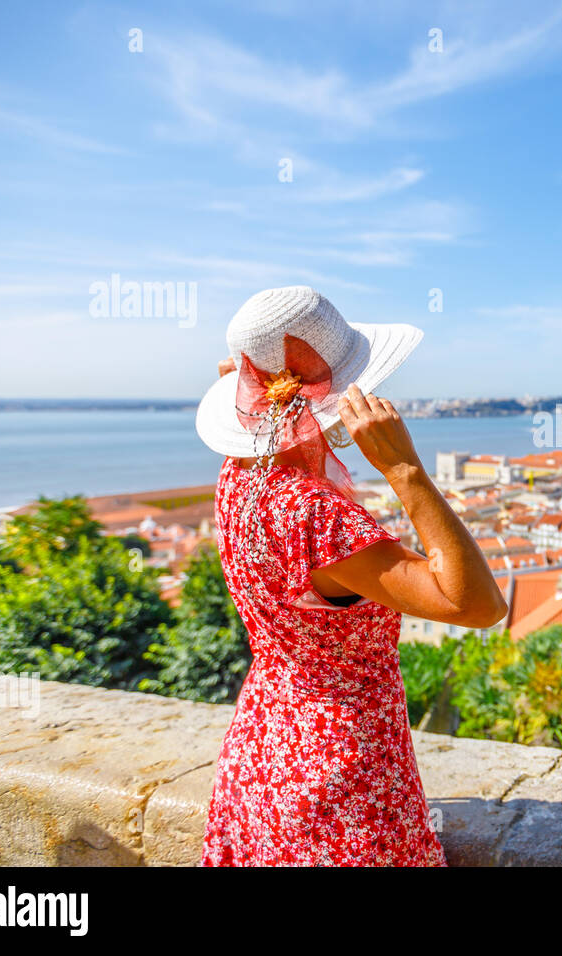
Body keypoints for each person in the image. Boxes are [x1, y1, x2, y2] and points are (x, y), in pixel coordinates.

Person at [193, 285, 506, 866]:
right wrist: (404, 468)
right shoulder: (318, 516)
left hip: (263, 747)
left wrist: (255, 372)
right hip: (341, 772)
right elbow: (479, 605)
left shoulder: (239, 477)